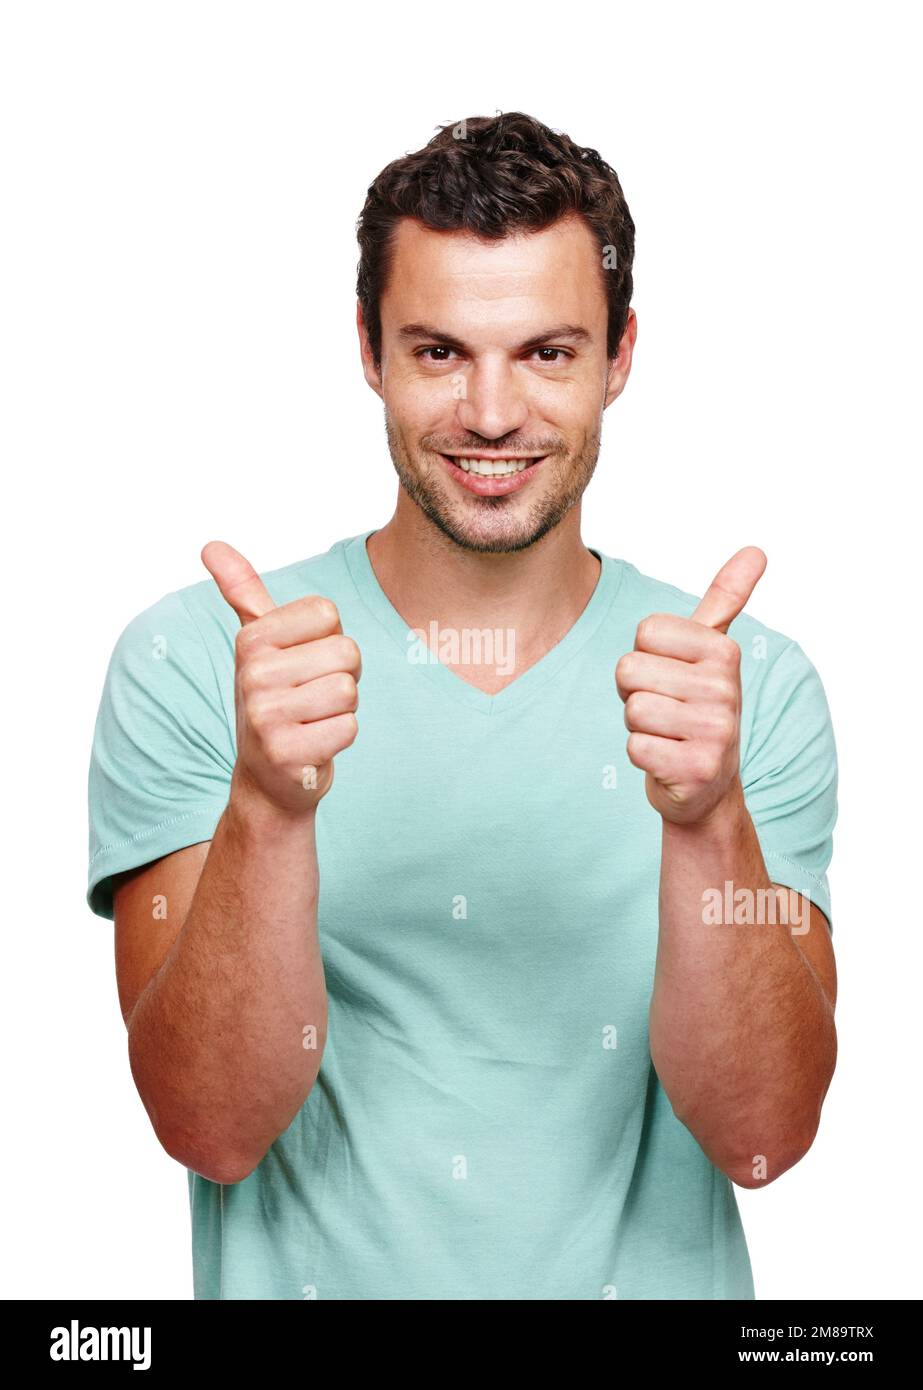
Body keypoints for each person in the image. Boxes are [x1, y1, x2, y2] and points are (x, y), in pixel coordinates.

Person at [86, 111, 838, 1300]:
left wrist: (708, 822)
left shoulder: (736, 684)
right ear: (368, 349)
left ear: (621, 353)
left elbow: (763, 1135)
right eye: (439, 352)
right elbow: (210, 1126)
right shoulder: (206, 662)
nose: (491, 415)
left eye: (546, 352)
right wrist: (267, 806)